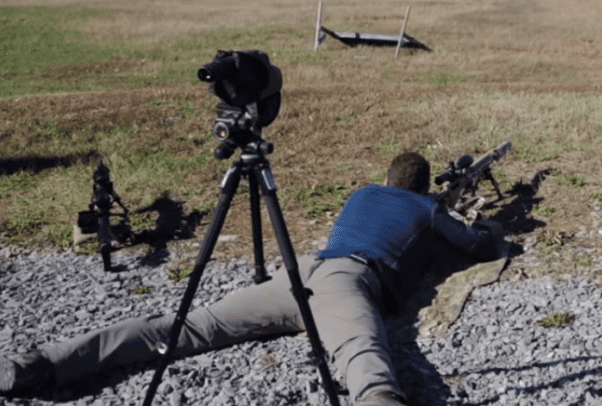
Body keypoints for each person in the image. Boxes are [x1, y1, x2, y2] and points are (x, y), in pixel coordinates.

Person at [0, 151, 505, 406]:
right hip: (346, 282)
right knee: (364, 361)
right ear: (421, 185)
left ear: (386, 176)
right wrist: (486, 224)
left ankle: (38, 365)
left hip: (300, 271)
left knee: (186, 326)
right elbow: (478, 246)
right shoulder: (423, 205)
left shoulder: (362, 194)